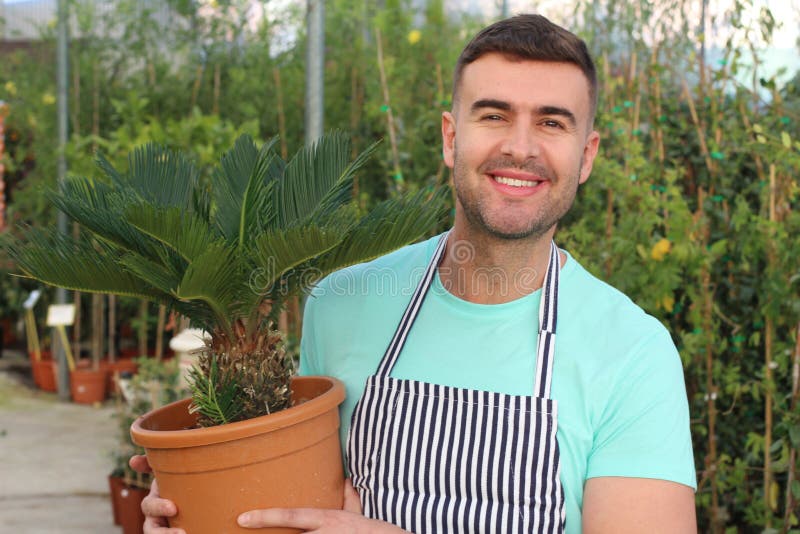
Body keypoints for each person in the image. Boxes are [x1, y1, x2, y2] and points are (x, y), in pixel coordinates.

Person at [132, 14, 697, 533]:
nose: (520, 147)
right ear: (452, 138)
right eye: (494, 115)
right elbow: (289, 495)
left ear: (588, 155)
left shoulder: (632, 354)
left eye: (552, 123)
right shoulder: (341, 304)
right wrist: (198, 496)